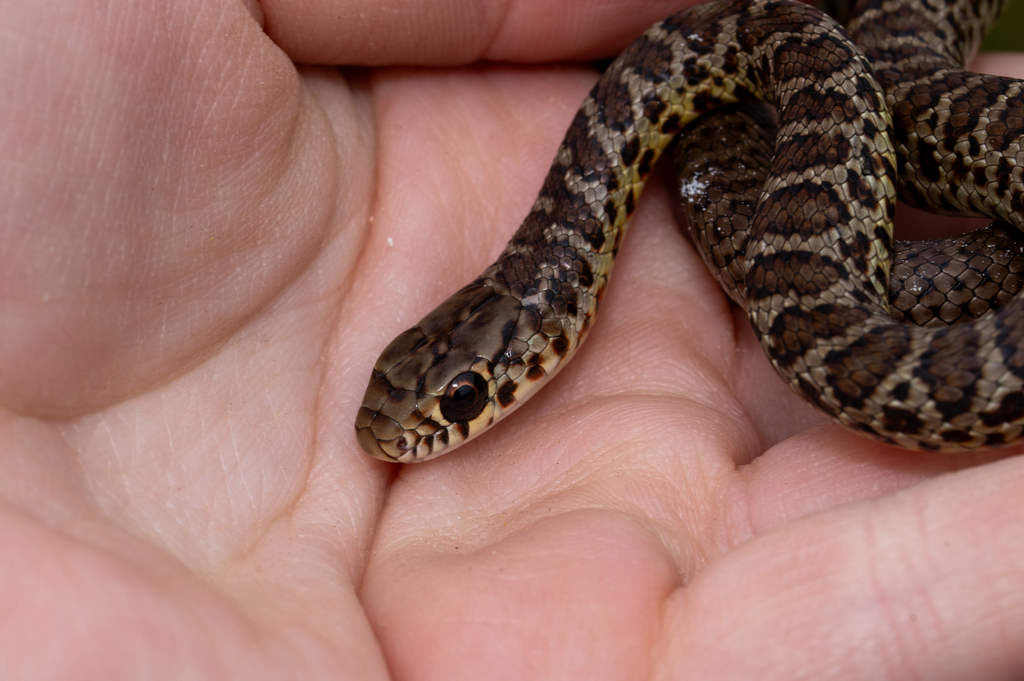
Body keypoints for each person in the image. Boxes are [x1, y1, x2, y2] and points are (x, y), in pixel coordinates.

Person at [3, 0, 1023, 677]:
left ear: (545, 333)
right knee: (732, 168)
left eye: (454, 402)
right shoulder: (677, 131)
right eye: (455, 400)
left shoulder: (782, 56)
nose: (434, 422)